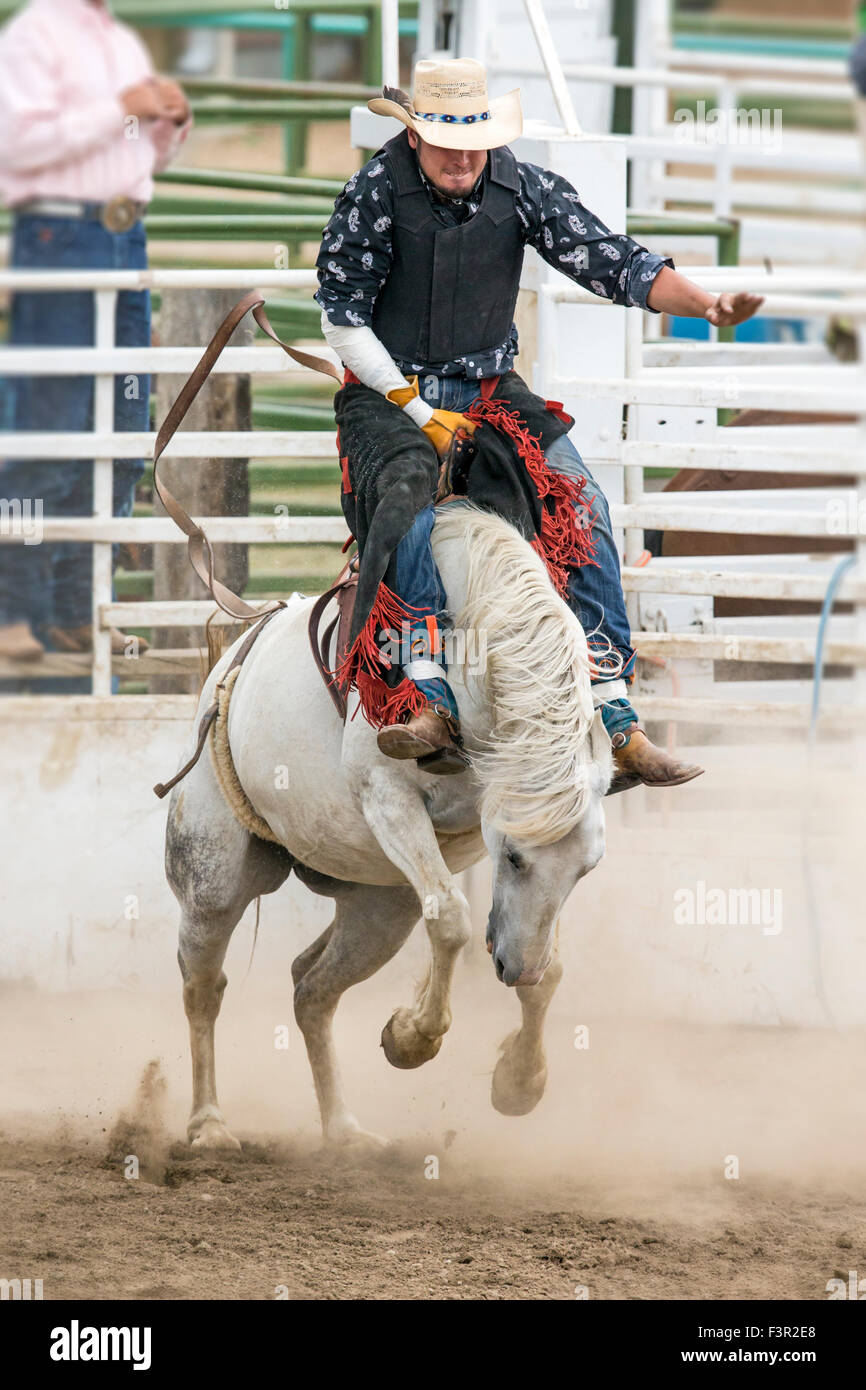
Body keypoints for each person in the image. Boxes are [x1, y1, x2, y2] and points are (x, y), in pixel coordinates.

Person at [316, 58, 762, 790]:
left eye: (475, 141)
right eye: (445, 141)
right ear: (414, 136)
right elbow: (342, 319)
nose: (463, 157)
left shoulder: (521, 187)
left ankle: (614, 708)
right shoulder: (373, 193)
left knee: (580, 502)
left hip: (489, 388)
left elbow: (614, 262)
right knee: (407, 507)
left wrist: (707, 305)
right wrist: (417, 410)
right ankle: (424, 693)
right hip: (388, 390)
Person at [0, 0, 191, 668]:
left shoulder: (117, 41)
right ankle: (19, 611)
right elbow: (17, 143)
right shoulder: (35, 34)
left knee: (118, 427)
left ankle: (75, 611)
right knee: (48, 431)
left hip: (114, 233)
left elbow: (134, 153)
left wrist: (166, 125)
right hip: (63, 233)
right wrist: (123, 107)